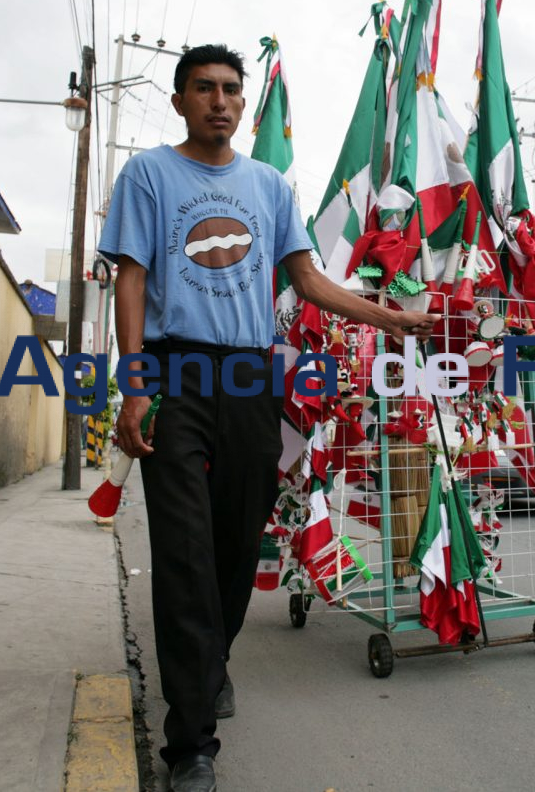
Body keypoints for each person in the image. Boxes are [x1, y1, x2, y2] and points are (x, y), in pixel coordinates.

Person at [100, 44, 434, 792]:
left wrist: (388, 317)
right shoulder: (148, 175)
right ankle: (191, 742)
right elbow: (132, 278)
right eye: (203, 89)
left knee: (236, 545)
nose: (219, 101)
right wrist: (135, 383)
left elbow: (308, 280)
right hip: (175, 373)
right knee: (184, 552)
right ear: (181, 101)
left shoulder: (270, 186)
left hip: (251, 378)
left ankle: (210, 662)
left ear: (242, 103)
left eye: (230, 89)